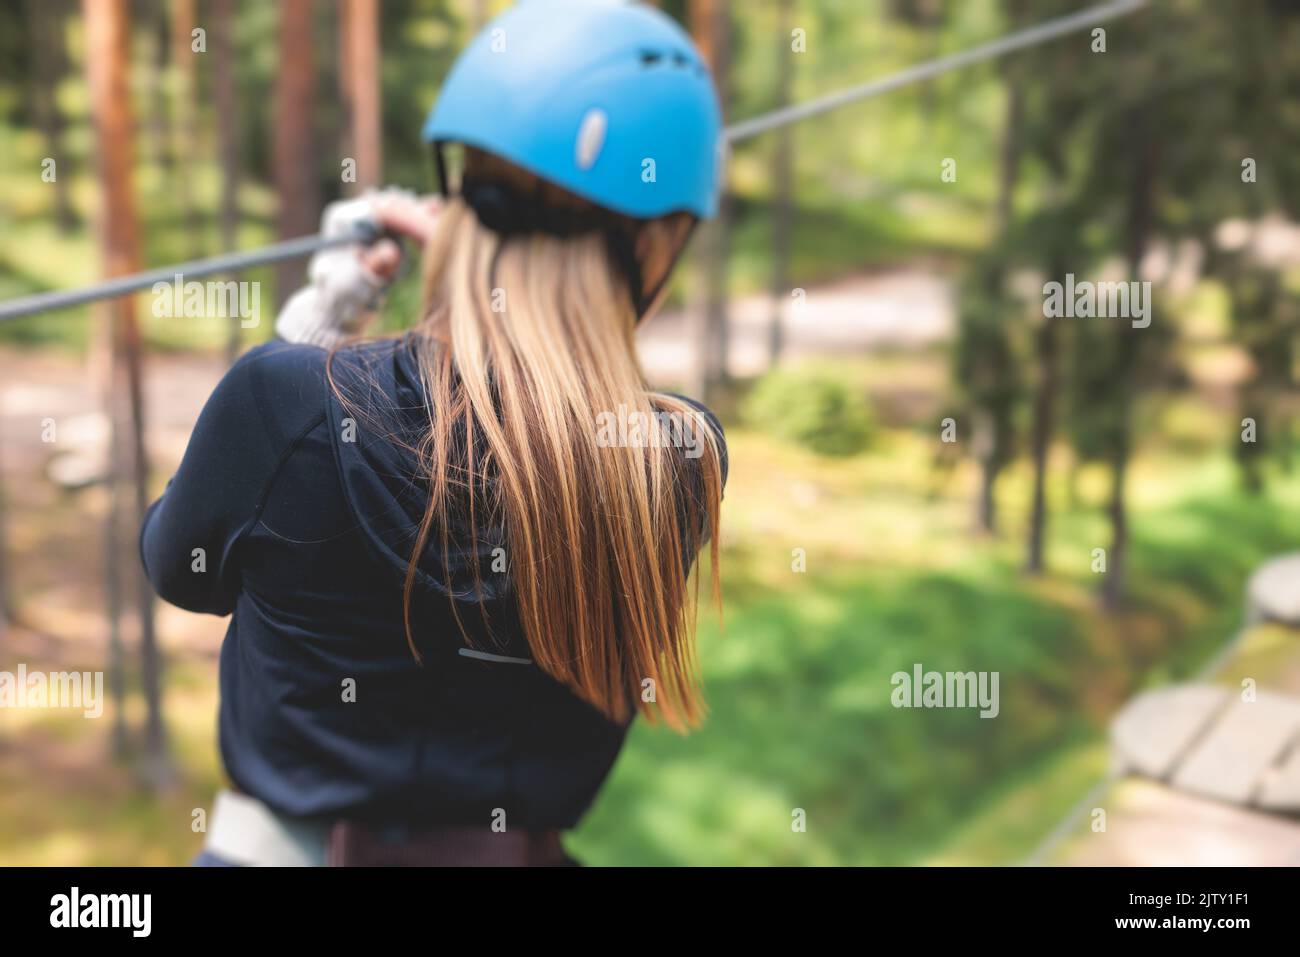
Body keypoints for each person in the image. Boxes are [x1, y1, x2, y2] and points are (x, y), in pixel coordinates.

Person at [140, 0, 728, 866]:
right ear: (660, 245)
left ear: (461, 180)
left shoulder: (288, 401)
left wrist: (327, 315)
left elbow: (175, 564)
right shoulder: (677, 461)